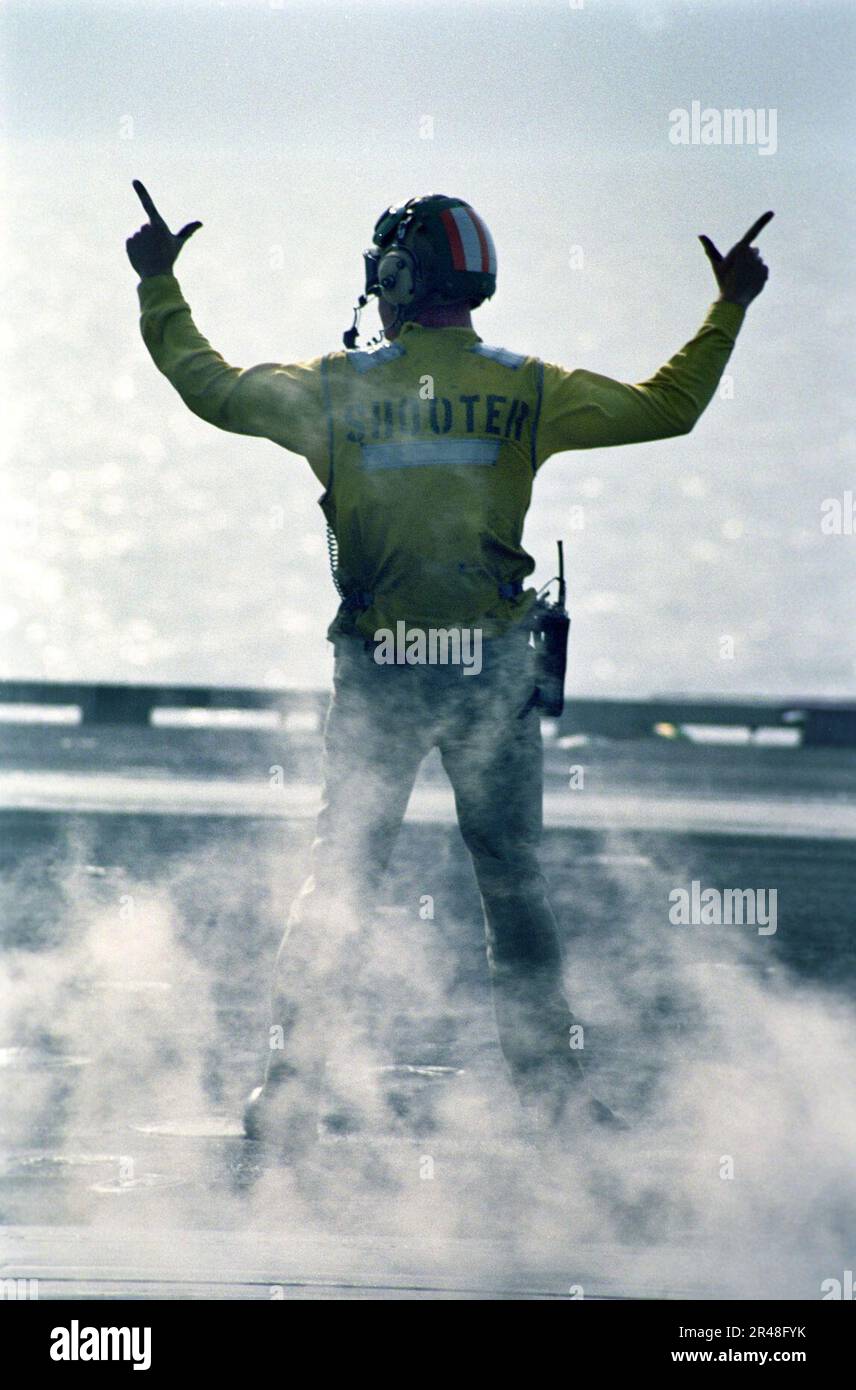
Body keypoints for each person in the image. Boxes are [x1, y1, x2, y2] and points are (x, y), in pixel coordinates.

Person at [126, 183, 771, 1151]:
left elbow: (210, 387)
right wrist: (729, 307)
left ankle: (288, 1093)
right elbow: (667, 408)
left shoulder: (335, 388)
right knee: (512, 883)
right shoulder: (529, 385)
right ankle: (551, 1096)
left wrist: (158, 285)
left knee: (339, 878)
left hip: (382, 671)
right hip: (492, 673)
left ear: (393, 276)